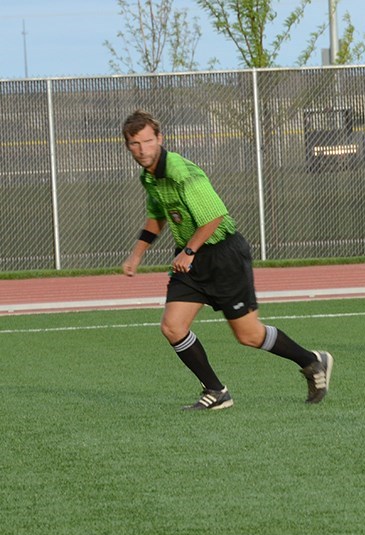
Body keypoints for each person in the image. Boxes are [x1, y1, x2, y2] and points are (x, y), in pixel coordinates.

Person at [120, 110, 332, 410]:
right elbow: (157, 216)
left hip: (222, 255)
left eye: (147, 141)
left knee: (249, 335)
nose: (142, 149)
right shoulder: (149, 176)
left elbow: (213, 216)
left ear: (160, 139)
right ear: (127, 145)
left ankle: (312, 361)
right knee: (172, 326)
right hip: (191, 259)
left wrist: (189, 251)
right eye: (134, 144)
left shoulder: (181, 172)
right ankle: (216, 390)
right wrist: (136, 255)